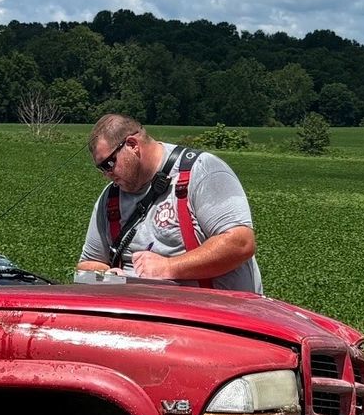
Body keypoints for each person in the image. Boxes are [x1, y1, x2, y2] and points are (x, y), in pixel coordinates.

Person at [76, 114, 263, 293]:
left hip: (213, 317)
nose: (106, 175)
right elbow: (86, 266)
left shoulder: (201, 171)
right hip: (145, 318)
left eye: (109, 164)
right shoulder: (110, 198)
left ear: (132, 145)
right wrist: (107, 276)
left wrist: (168, 267)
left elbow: (240, 243)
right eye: (101, 168)